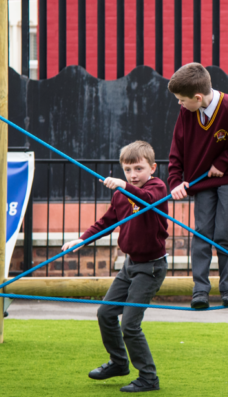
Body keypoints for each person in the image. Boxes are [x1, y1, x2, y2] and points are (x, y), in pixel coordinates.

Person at [62, 140, 168, 393]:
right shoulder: (121, 194)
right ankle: (119, 363)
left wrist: (123, 185)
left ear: (152, 168)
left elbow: (146, 199)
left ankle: (149, 378)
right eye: (128, 170)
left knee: (130, 325)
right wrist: (83, 237)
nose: (133, 175)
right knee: (105, 313)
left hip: (151, 267)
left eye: (139, 169)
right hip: (129, 265)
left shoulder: (157, 187)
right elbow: (106, 221)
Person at [167, 63, 228, 310]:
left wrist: (224, 161)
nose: (180, 104)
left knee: (225, 232)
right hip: (202, 181)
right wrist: (175, 181)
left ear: (198, 97)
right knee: (202, 232)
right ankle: (200, 291)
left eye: (182, 100)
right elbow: (177, 150)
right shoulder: (187, 112)